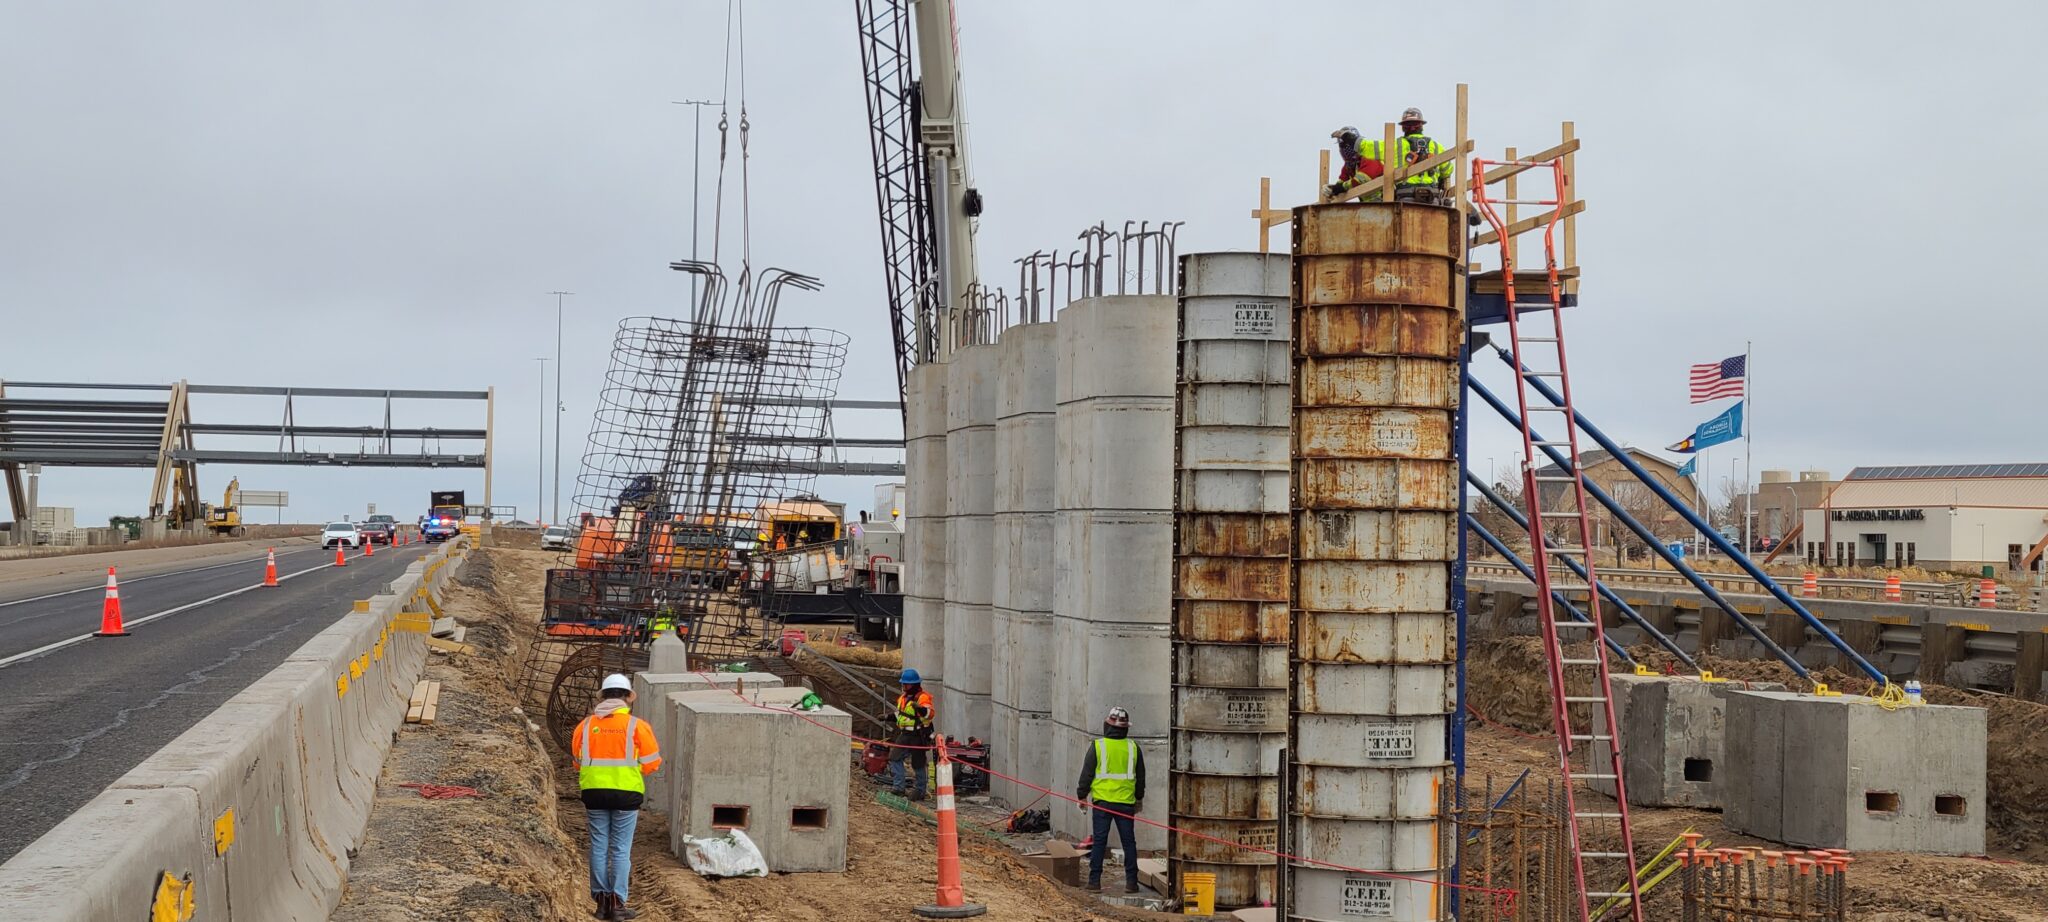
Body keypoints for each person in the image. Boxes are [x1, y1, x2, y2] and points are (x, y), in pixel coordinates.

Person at [571, 673, 662, 920]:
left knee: (599, 846)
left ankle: (601, 904)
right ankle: (618, 904)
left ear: (603, 697)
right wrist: (630, 770)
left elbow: (578, 762)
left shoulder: (586, 726)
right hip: (627, 795)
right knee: (620, 849)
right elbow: (652, 763)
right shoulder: (637, 726)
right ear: (627, 698)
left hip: (594, 793)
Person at [1075, 705, 1145, 894]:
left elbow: (1086, 775)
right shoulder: (1133, 748)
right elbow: (1141, 778)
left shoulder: (1098, 746)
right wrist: (1138, 799)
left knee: (1099, 842)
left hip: (1102, 803)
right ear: (1125, 728)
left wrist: (1081, 795)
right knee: (1129, 843)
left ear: (1108, 725)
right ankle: (1132, 883)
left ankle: (1094, 882)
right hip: (1126, 803)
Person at [1327, 107, 1453, 204]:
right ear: (1421, 125)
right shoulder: (1437, 147)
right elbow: (1448, 170)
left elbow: (1365, 147)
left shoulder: (1395, 145)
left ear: (1403, 127)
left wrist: (1346, 136)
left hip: (1406, 199)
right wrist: (1440, 179)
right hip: (1433, 200)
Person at [888, 667, 936, 800]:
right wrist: (889, 717)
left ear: (914, 684)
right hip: (905, 735)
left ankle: (920, 790)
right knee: (894, 757)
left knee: (918, 763)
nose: (904, 686)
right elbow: (901, 715)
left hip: (918, 735)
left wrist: (920, 709)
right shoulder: (903, 698)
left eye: (906, 684)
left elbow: (929, 713)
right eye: (903, 683)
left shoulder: (923, 697)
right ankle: (899, 787)